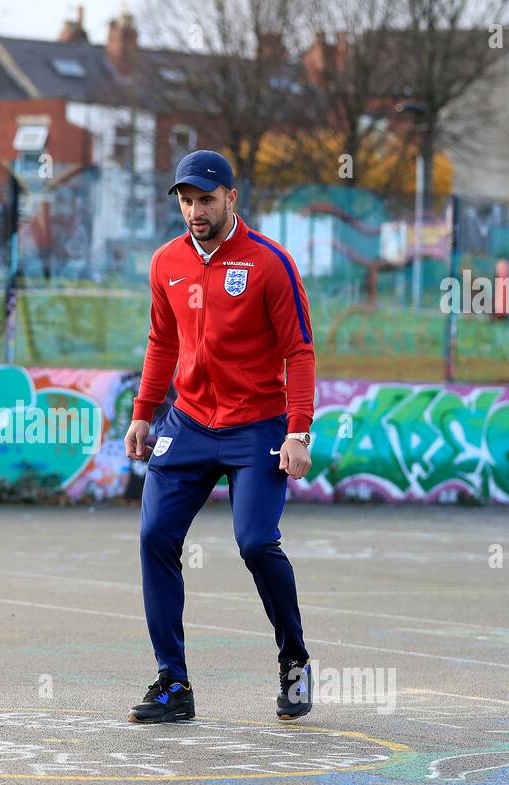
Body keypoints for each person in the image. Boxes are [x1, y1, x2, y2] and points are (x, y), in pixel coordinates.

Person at [124, 150, 317, 724]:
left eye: (205, 198)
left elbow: (298, 351)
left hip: (256, 425)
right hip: (186, 423)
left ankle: (294, 660)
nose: (194, 210)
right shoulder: (166, 263)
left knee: (256, 542)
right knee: (155, 535)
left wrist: (298, 431)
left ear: (232, 198)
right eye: (185, 200)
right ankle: (173, 684)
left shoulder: (269, 263)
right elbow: (162, 341)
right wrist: (143, 412)